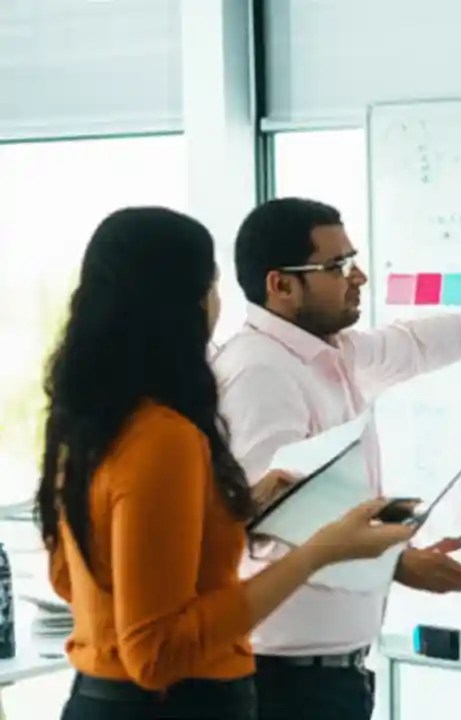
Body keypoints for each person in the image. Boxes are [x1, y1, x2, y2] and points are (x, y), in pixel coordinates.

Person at [36, 207, 417, 720]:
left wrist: (231, 515)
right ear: (185, 305)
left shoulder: (87, 426)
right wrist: (318, 552)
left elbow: (75, 579)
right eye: (213, 287)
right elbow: (157, 654)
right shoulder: (164, 438)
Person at [213, 197, 461, 720]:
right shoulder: (261, 372)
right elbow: (273, 519)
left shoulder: (333, 352)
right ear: (280, 285)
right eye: (337, 267)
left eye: (353, 260)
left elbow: (418, 345)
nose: (358, 277)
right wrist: (397, 562)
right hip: (283, 679)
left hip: (329, 672)